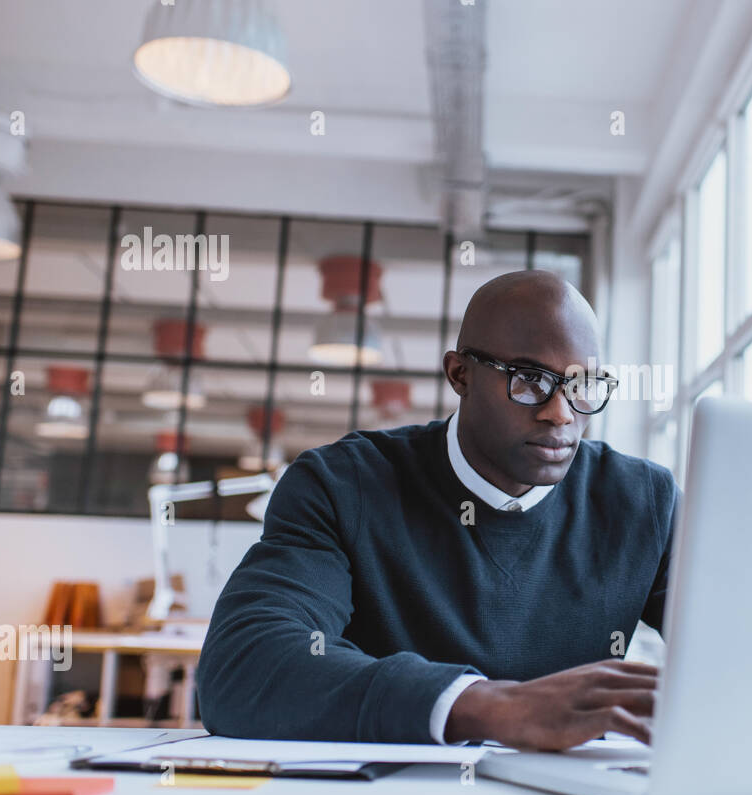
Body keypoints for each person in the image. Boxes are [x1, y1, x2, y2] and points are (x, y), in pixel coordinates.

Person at [196, 270, 680, 750]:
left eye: (583, 383)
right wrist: (485, 707)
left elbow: (741, 645)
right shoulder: (343, 485)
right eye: (529, 380)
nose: (562, 413)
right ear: (460, 375)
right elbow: (242, 664)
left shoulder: (644, 501)